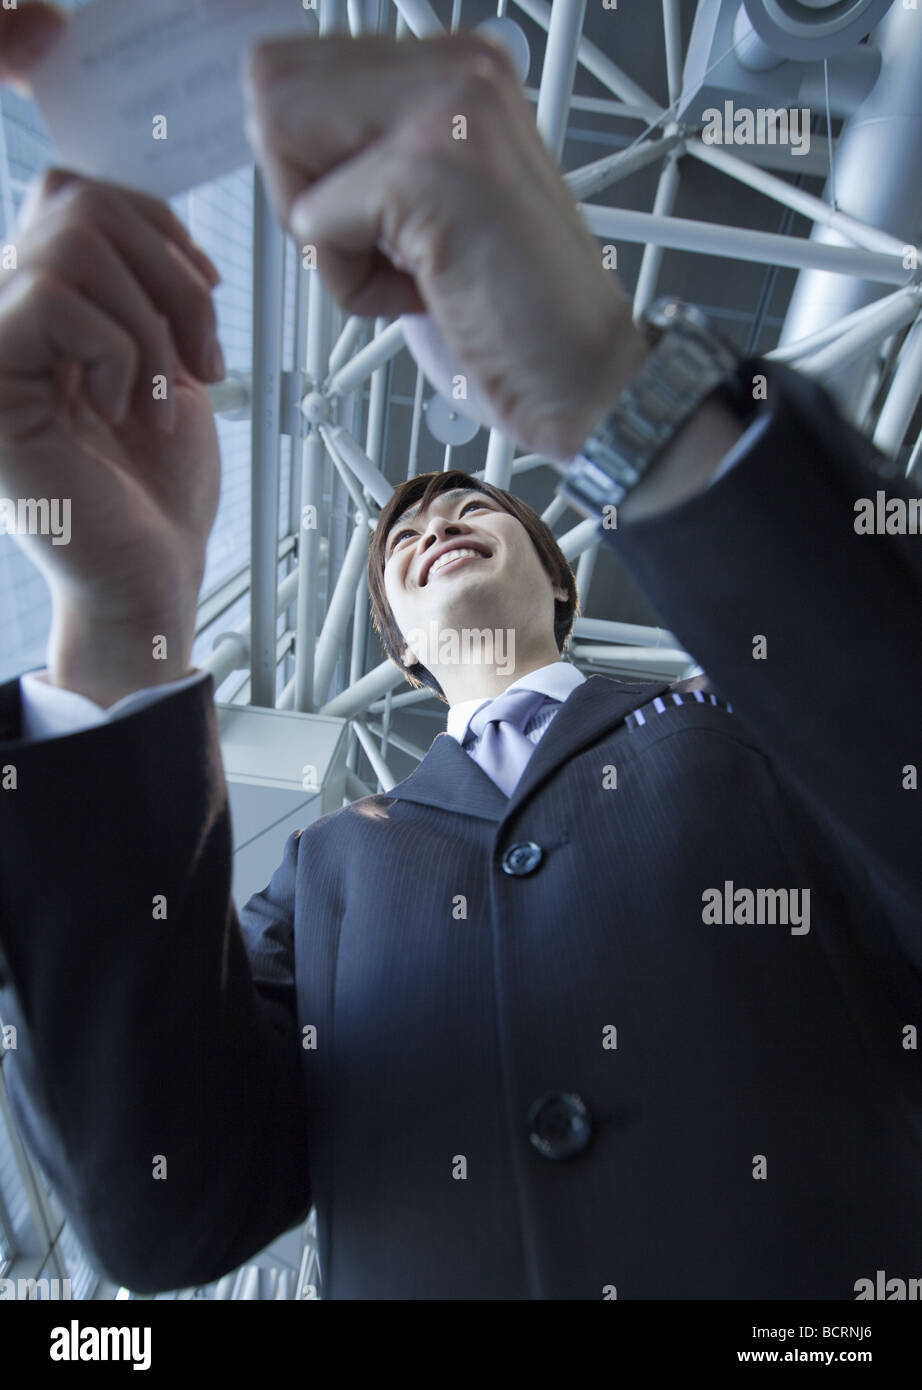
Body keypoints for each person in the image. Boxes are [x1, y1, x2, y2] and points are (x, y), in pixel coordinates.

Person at [0, 7, 920, 1300]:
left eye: (468, 508)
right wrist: (117, 620)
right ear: (402, 648)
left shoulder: (748, 718)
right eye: (404, 533)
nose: (431, 517)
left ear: (553, 569)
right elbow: (162, 1206)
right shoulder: (321, 875)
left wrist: (618, 387)